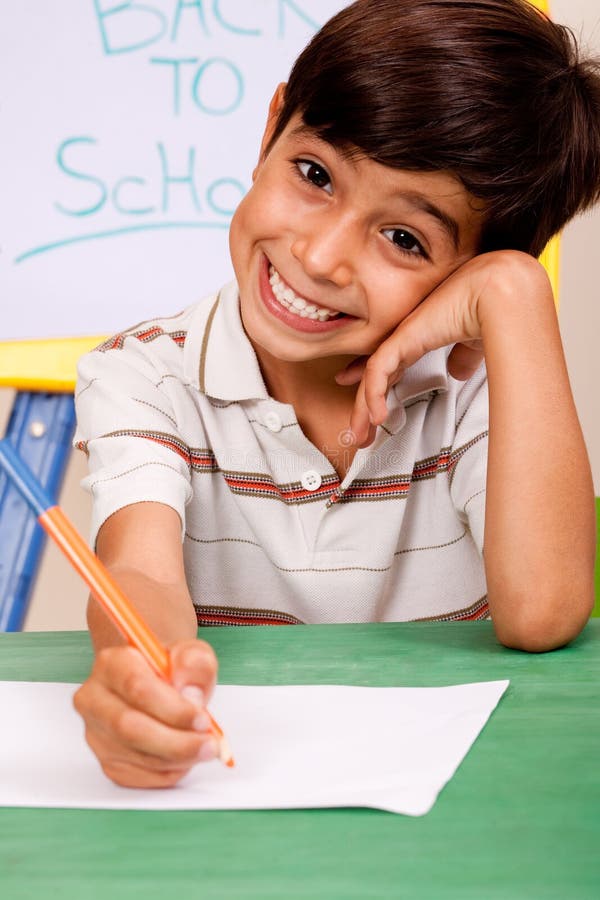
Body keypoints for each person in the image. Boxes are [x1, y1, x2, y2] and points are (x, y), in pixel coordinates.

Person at [73, 0, 600, 787]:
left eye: (404, 238)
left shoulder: (484, 386)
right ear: (270, 131)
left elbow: (543, 612)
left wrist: (518, 292)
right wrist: (139, 676)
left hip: (453, 795)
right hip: (239, 783)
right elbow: (141, 572)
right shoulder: (144, 373)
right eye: (315, 174)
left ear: (471, 272)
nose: (320, 258)